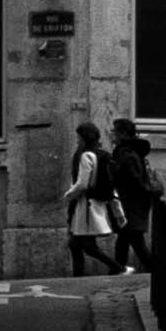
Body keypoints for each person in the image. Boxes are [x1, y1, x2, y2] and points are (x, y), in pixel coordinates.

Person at [63, 119, 117, 277]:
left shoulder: (85, 155)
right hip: (85, 203)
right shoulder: (96, 153)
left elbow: (82, 184)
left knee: (88, 246)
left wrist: (68, 195)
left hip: (85, 204)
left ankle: (119, 268)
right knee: (75, 244)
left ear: (84, 138)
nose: (76, 139)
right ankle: (78, 277)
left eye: (78, 136)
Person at [107, 111, 158, 270]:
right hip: (133, 204)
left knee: (135, 242)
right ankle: (117, 271)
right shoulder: (131, 152)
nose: (112, 135)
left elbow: (133, 180)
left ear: (122, 134)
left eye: (114, 131)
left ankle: (156, 273)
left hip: (131, 204)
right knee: (124, 240)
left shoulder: (126, 154)